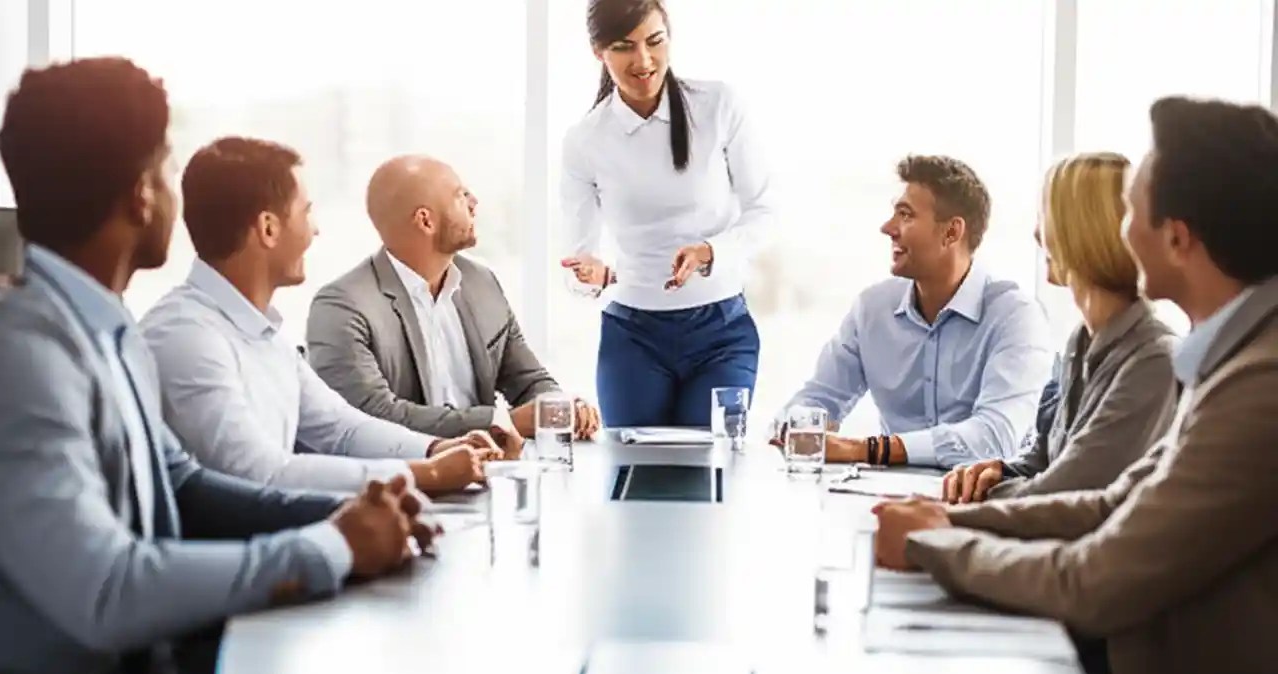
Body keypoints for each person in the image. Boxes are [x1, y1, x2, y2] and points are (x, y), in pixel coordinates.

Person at [0, 58, 432, 674]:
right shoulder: (25, 356)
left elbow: (182, 484)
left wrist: (348, 517)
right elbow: (107, 588)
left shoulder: (106, 327)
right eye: (166, 170)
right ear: (142, 194)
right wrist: (331, 547)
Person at [873, 97, 1278, 674]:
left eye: (1131, 212)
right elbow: (1111, 504)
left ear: (1176, 237)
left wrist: (934, 545)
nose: (1119, 231)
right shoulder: (1233, 360)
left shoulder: (1259, 384)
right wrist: (947, 521)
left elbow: (1093, 581)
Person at [141, 137, 508, 498]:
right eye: (306, 212)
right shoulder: (186, 336)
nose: (315, 229)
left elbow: (341, 428)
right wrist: (426, 473)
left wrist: (435, 449)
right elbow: (259, 473)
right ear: (268, 229)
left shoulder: (263, 334)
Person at [558, 0, 775, 427]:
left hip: (721, 331)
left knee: (712, 457)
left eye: (655, 41)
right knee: (632, 462)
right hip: (633, 336)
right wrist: (592, 276)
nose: (643, 61)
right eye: (624, 47)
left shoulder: (718, 105)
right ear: (599, 51)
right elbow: (576, 262)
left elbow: (765, 210)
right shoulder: (585, 141)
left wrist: (710, 252)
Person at [775, 155, 1053, 468]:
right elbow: (817, 399)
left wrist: (869, 449)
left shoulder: (1016, 317)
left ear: (952, 232)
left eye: (905, 215)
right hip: (882, 491)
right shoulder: (872, 309)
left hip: (981, 495)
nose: (888, 228)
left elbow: (995, 437)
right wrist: (794, 425)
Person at [308, 155, 600, 440]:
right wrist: (504, 423)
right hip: (411, 469)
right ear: (425, 221)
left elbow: (528, 380)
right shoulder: (342, 307)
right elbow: (374, 418)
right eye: (461, 196)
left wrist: (560, 408)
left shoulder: (480, 282)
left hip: (494, 463)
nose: (474, 203)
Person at [942, 152, 1178, 503]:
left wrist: (961, 507)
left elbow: (1070, 490)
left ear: (1081, 231)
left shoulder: (1154, 360)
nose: (1037, 235)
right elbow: (1046, 461)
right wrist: (998, 473)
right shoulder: (1079, 343)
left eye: (1046, 216)